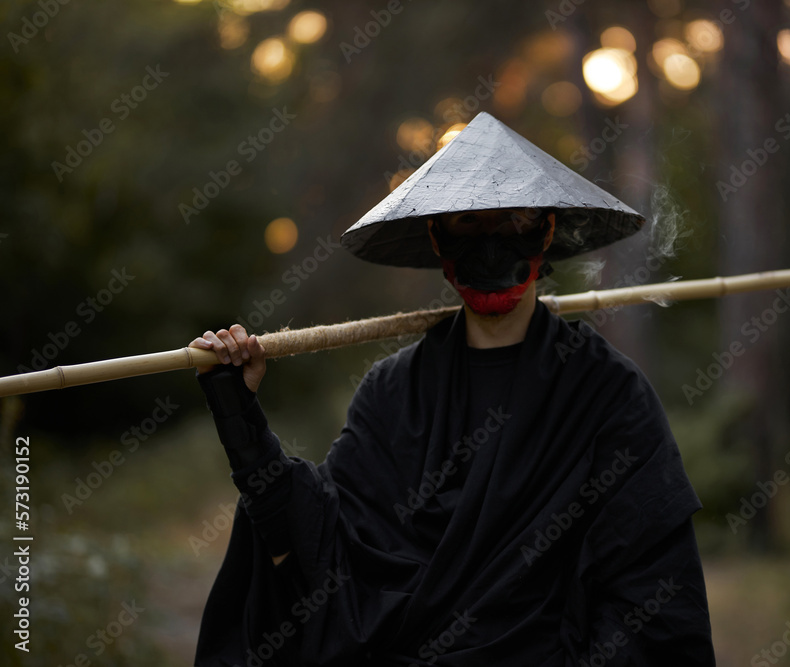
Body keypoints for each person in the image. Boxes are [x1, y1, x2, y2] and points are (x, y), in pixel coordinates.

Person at [189, 112, 715, 666]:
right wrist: (239, 414)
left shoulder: (607, 393)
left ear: (547, 231)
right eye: (467, 222)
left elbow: (651, 588)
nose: (490, 247)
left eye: (514, 219)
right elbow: (324, 547)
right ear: (436, 238)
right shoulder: (393, 393)